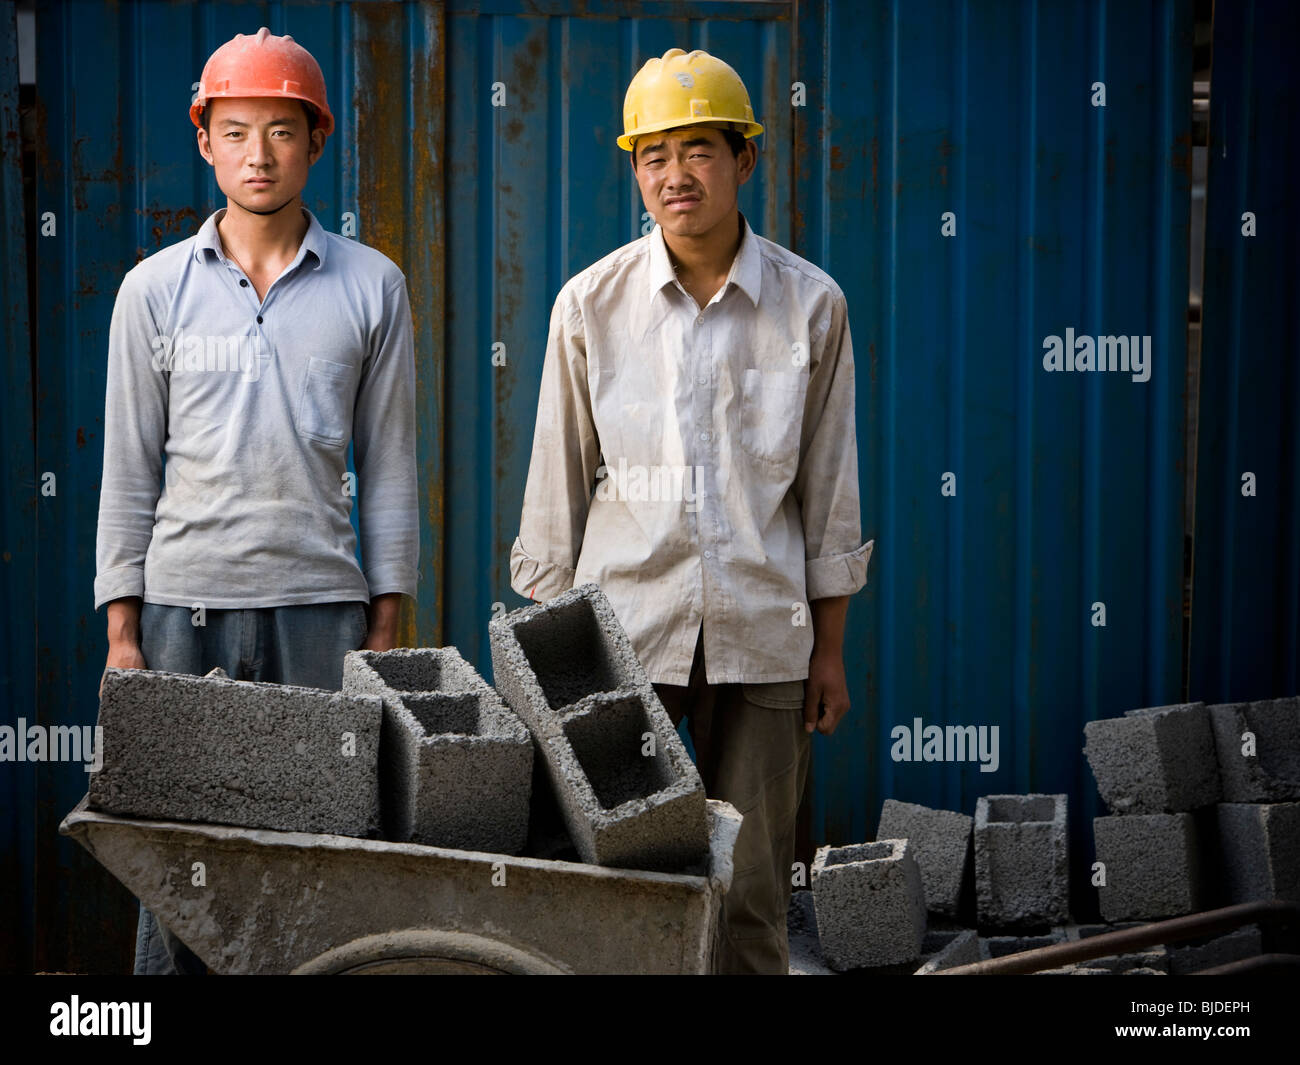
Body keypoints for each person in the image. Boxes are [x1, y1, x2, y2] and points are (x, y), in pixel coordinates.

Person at [509, 48, 873, 974]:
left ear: (744, 159)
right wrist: (549, 655)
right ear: (634, 167)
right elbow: (557, 487)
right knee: (615, 876)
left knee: (753, 888)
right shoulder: (591, 306)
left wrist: (827, 648)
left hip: (764, 633)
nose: (676, 175)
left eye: (699, 150)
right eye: (653, 154)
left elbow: (828, 497)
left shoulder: (811, 307)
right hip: (622, 635)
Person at [94, 27, 418, 975]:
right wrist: (124, 632)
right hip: (180, 607)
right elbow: (127, 469)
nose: (258, 155)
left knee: (319, 848)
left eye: (281, 131)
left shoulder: (372, 285)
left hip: (321, 610)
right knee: (179, 855)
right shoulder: (153, 290)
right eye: (236, 132)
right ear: (205, 142)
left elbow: (390, 464)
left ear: (317, 142)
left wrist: (386, 619)